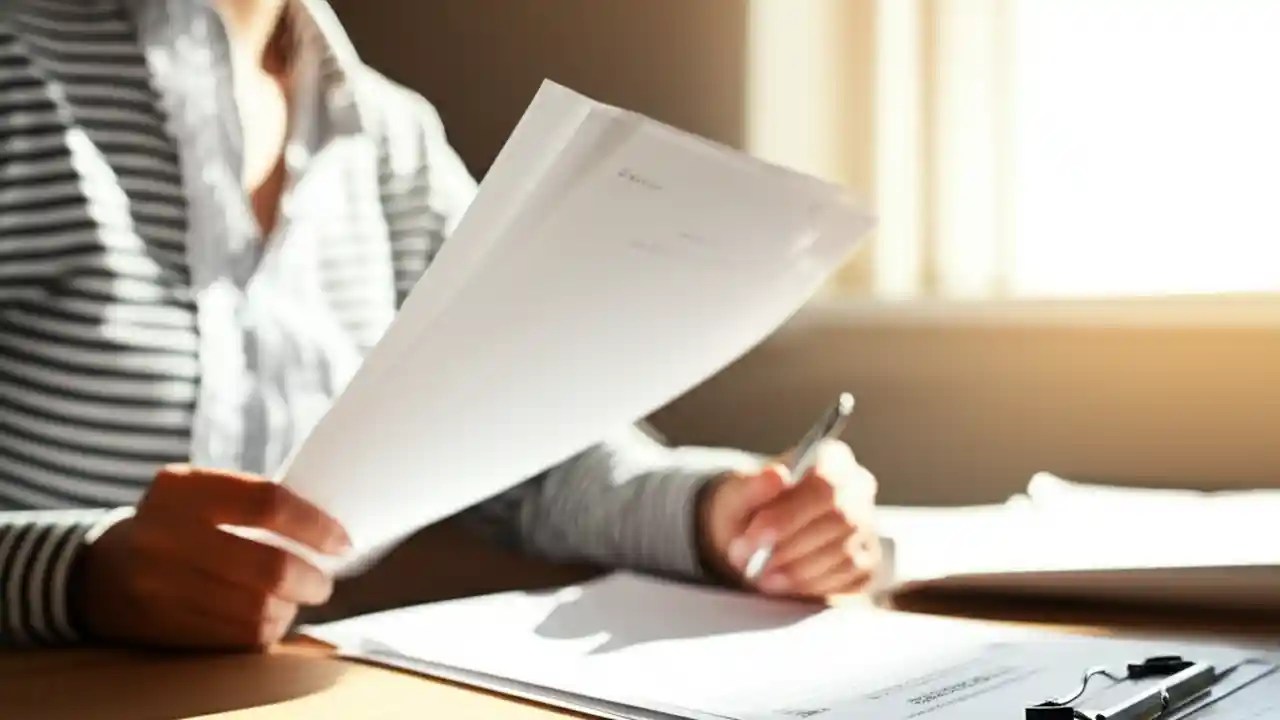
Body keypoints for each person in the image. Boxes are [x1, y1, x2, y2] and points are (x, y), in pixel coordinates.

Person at [0, 0, 881, 649]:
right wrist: (77, 573)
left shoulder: (387, 138)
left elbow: (531, 454)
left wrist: (724, 513)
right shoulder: (20, 70)